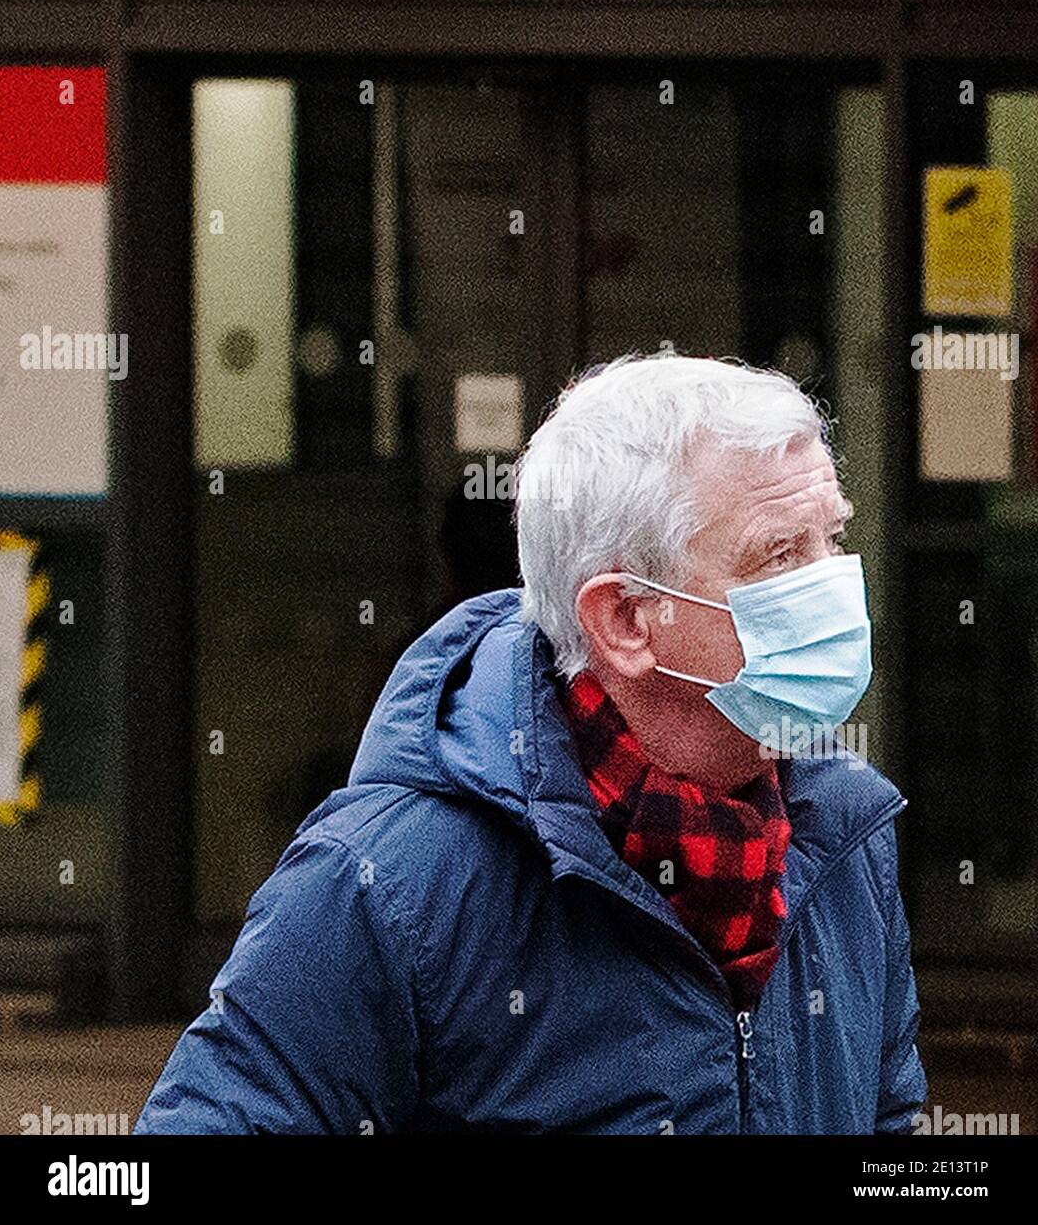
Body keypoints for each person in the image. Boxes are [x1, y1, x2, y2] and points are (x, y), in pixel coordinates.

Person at [134, 353, 926, 1134]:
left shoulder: (845, 837)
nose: (836, 587)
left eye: (832, 538)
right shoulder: (390, 883)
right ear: (624, 620)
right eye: (781, 556)